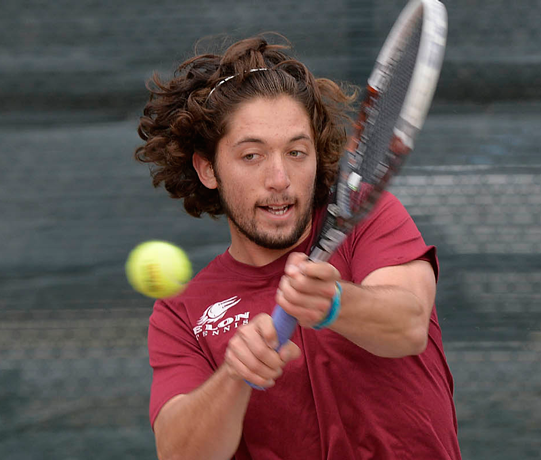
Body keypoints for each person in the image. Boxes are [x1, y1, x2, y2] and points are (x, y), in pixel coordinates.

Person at [134, 35, 460, 460]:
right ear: (208, 168)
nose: (279, 178)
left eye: (296, 152)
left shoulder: (366, 221)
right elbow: (180, 453)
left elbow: (409, 324)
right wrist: (234, 375)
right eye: (252, 156)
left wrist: (335, 303)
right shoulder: (181, 314)